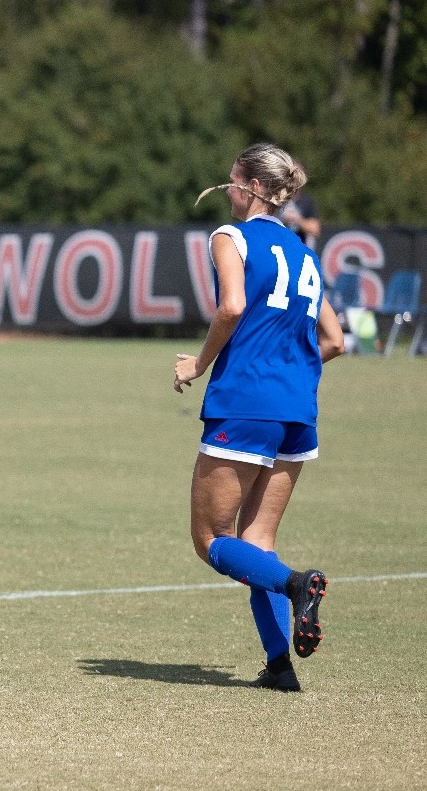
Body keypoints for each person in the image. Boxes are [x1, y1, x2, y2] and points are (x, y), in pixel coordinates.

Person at [177, 144, 346, 692]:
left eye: (232, 181)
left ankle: (298, 585)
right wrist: (290, 369)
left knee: (211, 539)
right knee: (257, 542)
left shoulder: (231, 238)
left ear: (250, 186)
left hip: (245, 403)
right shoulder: (303, 252)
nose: (227, 190)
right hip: (298, 409)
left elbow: (230, 307)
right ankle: (279, 668)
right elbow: (336, 341)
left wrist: (199, 364)